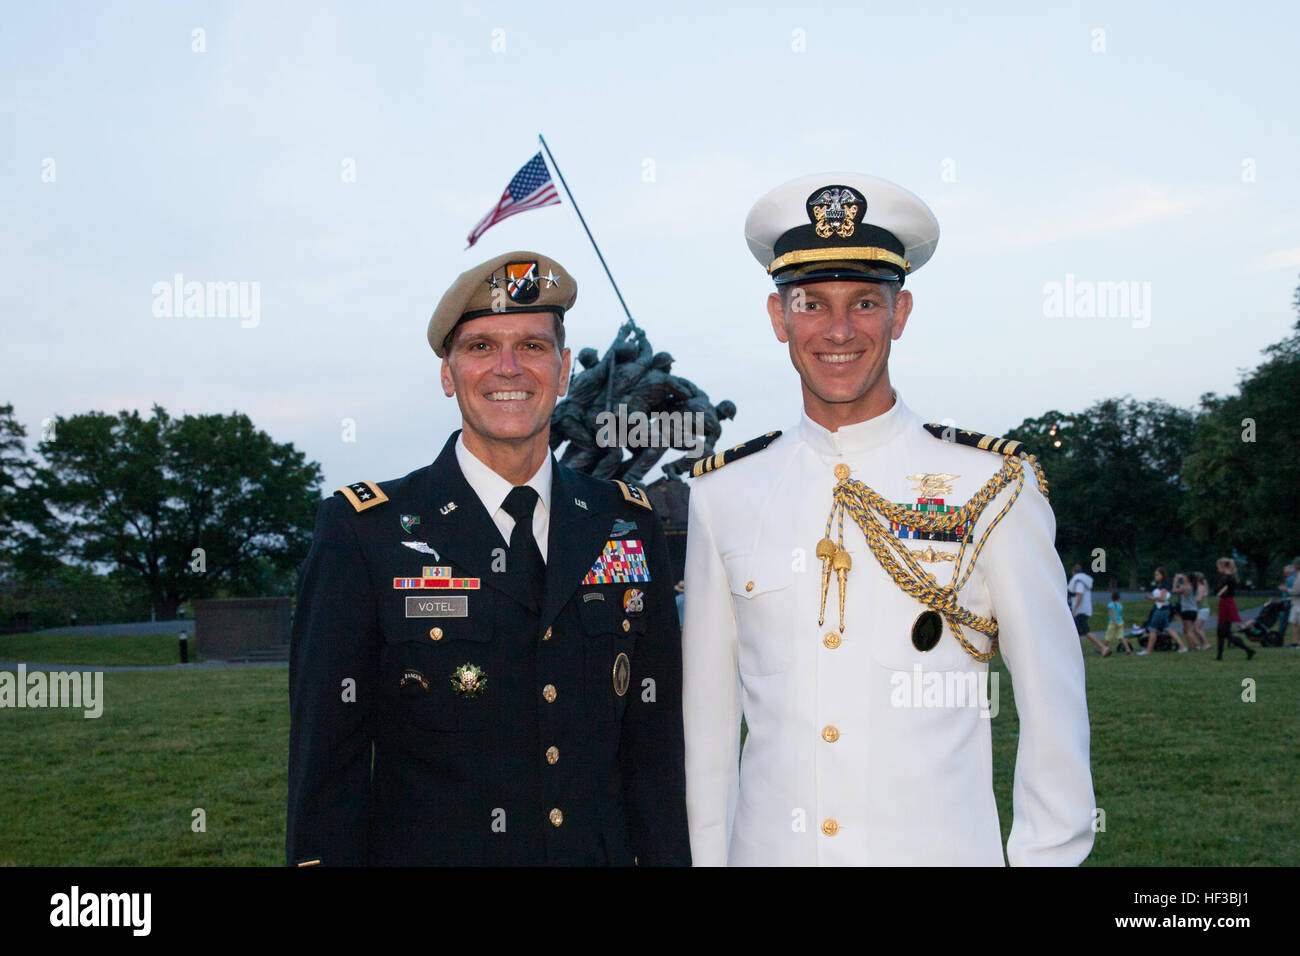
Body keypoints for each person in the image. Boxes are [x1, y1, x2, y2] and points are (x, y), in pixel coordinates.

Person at [681, 173, 1094, 866]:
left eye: (865, 303)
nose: (838, 330)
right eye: (811, 304)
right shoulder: (724, 495)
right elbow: (709, 733)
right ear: (779, 319)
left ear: (899, 316)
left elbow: (1053, 706)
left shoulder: (992, 485)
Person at [286, 250, 690, 866]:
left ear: (561, 368)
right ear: (448, 374)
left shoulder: (626, 525)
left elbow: (655, 753)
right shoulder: (365, 533)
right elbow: (327, 765)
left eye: (531, 346)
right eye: (480, 347)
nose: (509, 368)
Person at [1213, 556, 1254, 661]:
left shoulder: (1226, 578)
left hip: (1226, 603)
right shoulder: (1230, 577)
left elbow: (1217, 591)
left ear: (1222, 566)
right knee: (1224, 632)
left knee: (1223, 632)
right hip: (1227, 603)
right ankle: (1220, 655)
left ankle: (1221, 655)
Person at [1138, 567, 1186, 655]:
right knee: (1167, 628)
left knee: (1153, 629)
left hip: (1160, 610)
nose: (1155, 576)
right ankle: (1182, 646)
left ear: (1162, 575)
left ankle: (1148, 650)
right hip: (1164, 609)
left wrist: (1151, 598)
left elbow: (1162, 598)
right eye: (1155, 575)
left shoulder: (1163, 586)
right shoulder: (1162, 585)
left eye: (1157, 575)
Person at [1068, 564, 1106, 656]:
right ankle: (1075, 652)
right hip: (1085, 608)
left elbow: (1080, 595)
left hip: (1080, 610)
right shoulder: (1084, 580)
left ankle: (1103, 647)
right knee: (1076, 631)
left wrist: (1075, 609)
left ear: (1073, 572)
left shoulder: (1079, 581)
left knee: (1085, 631)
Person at [1173, 572, 1202, 650]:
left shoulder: (1186, 587)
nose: (1183, 578)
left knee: (1188, 630)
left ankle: (1197, 644)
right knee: (1187, 629)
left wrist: (1175, 581)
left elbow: (1174, 590)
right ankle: (1191, 646)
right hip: (1194, 610)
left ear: (1188, 579)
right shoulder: (1193, 586)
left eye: (1185, 577)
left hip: (1187, 610)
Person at [1280, 563, 1300, 648]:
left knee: (1296, 623)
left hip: (1297, 603)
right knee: (1294, 623)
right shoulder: (1296, 576)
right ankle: (1295, 643)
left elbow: (1296, 591)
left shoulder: (1297, 577)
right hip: (1294, 602)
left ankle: (1297, 643)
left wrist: (1285, 589)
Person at [1192, 572, 1212, 649]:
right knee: (1197, 628)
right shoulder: (1199, 586)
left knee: (1197, 628)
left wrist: (1191, 603)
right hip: (1201, 609)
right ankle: (1202, 644)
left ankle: (1206, 644)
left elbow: (1199, 599)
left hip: (1203, 609)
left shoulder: (1201, 587)